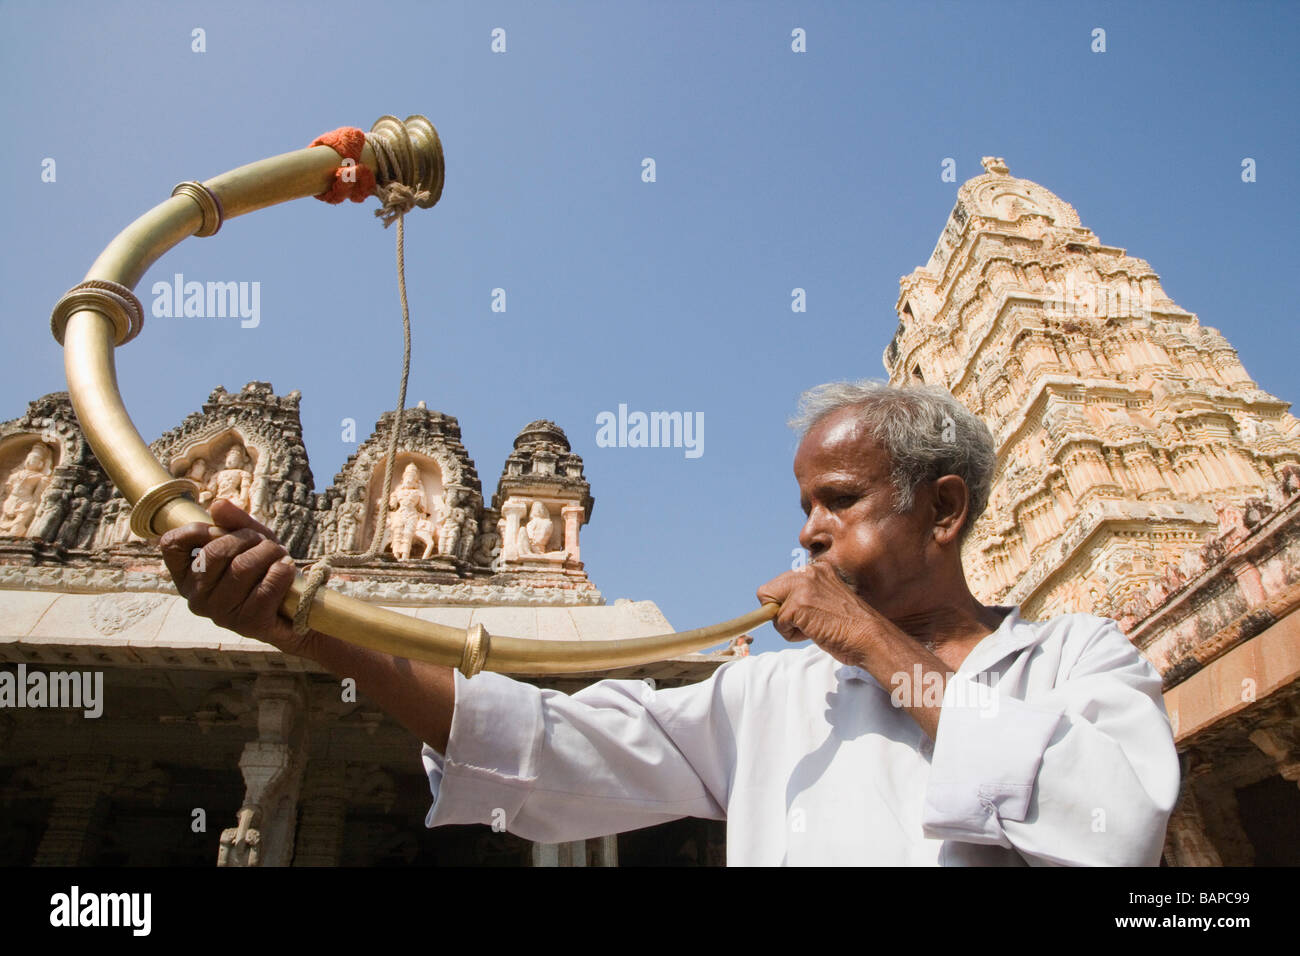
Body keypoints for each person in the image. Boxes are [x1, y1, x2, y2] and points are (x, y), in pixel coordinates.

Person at [159, 381, 1180, 865]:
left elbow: (1116, 825)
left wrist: (870, 641)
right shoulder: (771, 695)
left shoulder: (1073, 660)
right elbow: (541, 746)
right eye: (802, 509)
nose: (809, 534)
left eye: (839, 502)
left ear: (943, 510)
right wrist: (309, 626)